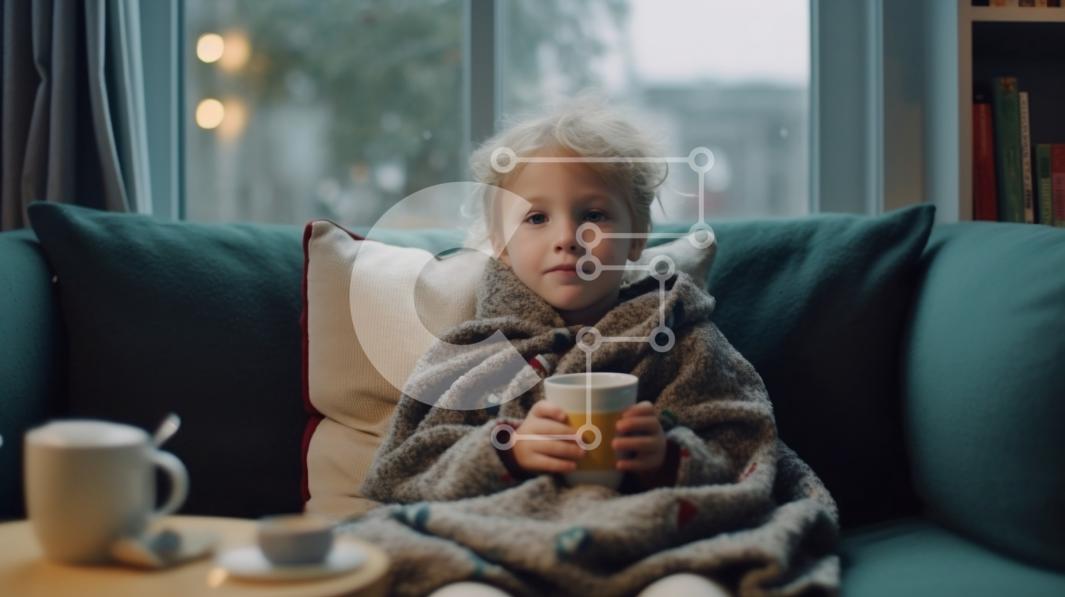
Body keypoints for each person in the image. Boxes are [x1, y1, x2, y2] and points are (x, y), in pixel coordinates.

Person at [344, 96, 841, 597]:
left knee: (692, 589)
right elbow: (404, 471)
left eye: (595, 214)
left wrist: (667, 455)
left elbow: (745, 453)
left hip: (656, 544)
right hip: (495, 544)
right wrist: (506, 449)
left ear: (636, 237)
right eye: (535, 218)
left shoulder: (680, 337)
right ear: (500, 242)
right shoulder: (475, 353)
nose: (568, 237)